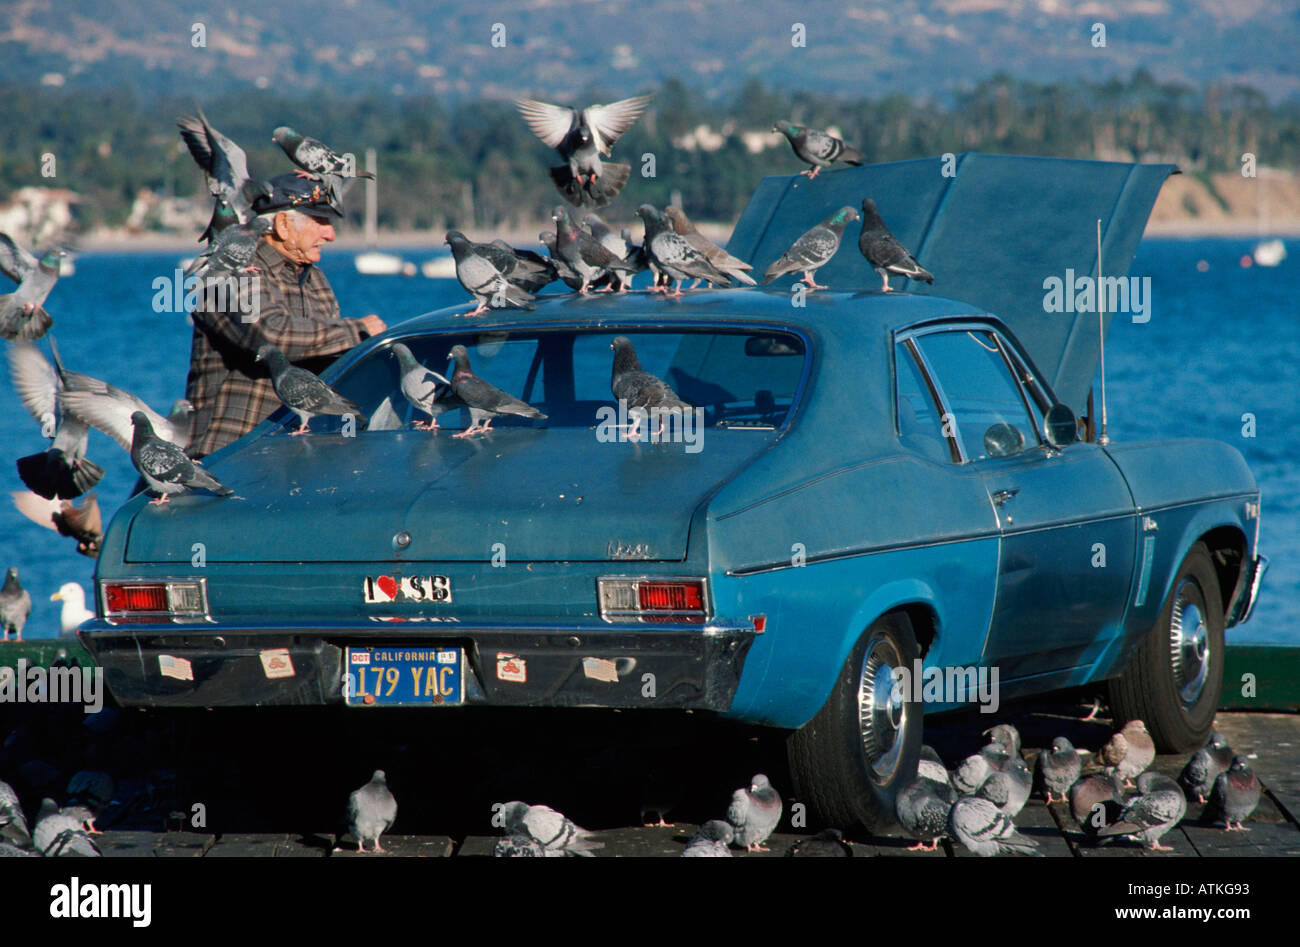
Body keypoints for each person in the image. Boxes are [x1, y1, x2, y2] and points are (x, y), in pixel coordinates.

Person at [184, 173, 386, 458]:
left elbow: (327, 359)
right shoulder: (230, 270)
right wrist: (356, 332)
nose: (330, 235)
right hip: (227, 457)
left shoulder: (314, 279)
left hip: (294, 454)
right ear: (282, 225)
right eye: (321, 222)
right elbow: (270, 333)